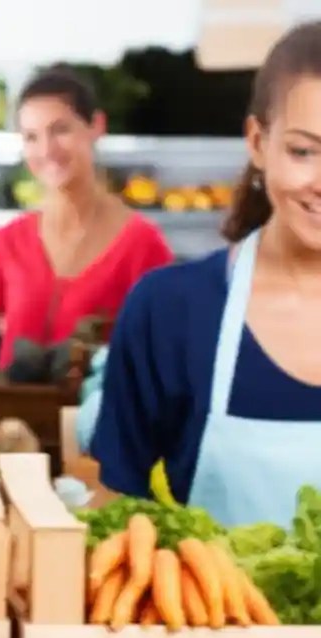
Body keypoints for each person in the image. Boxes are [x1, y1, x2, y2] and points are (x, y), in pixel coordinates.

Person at [91, 20, 321, 528]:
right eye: (305, 151)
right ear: (259, 143)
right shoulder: (170, 311)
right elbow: (116, 511)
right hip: (208, 611)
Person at [0, 67, 174, 370]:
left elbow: (163, 358)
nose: (47, 150)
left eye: (60, 130)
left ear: (96, 125)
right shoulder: (8, 241)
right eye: (31, 137)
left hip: (99, 417)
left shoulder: (143, 244)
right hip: (10, 416)